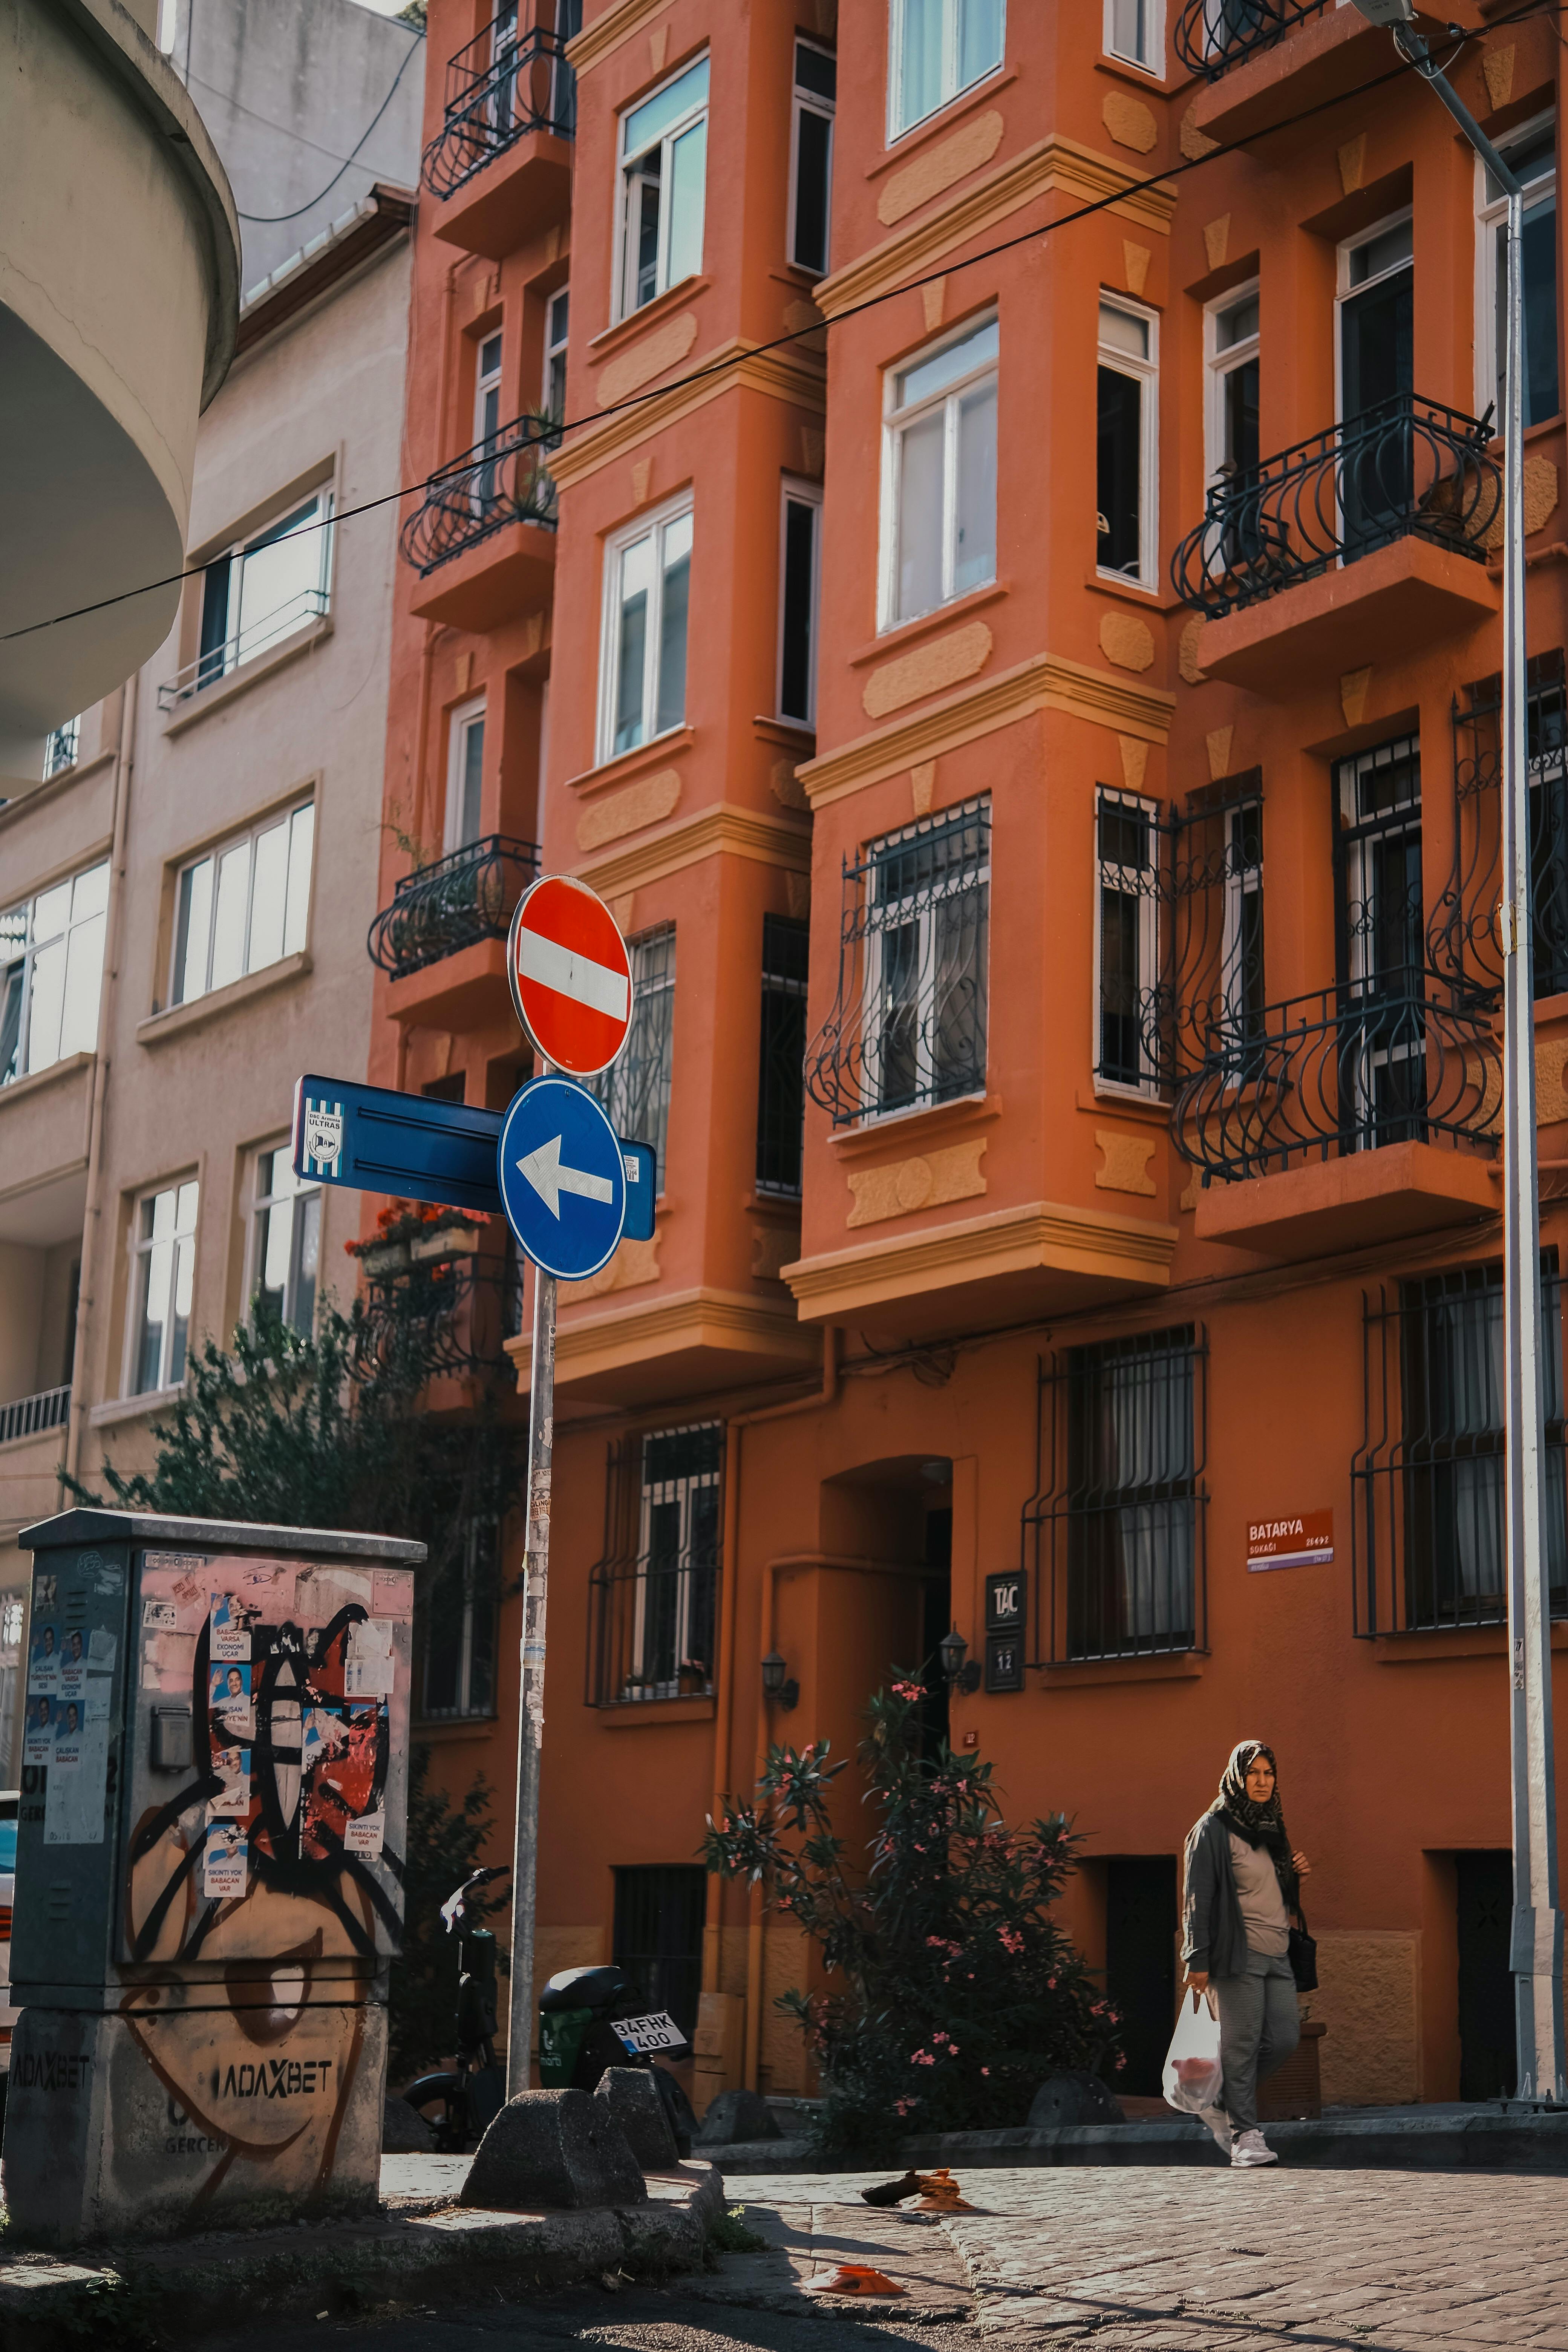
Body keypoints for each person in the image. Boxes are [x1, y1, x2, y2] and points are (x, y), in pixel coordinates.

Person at [1181, 1740, 1312, 2170]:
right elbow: (1196, 1898)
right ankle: (1244, 2136)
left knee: (1283, 2039)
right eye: (1253, 1773)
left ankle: (1218, 2099)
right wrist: (1196, 1959)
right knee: (1239, 2046)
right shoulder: (1213, 1828)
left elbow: (1275, 1894)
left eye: (1268, 1773)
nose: (1261, 1781)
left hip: (1277, 1952)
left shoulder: (1270, 1826)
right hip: (1236, 1954)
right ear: (1237, 1777)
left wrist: (1294, 1876)